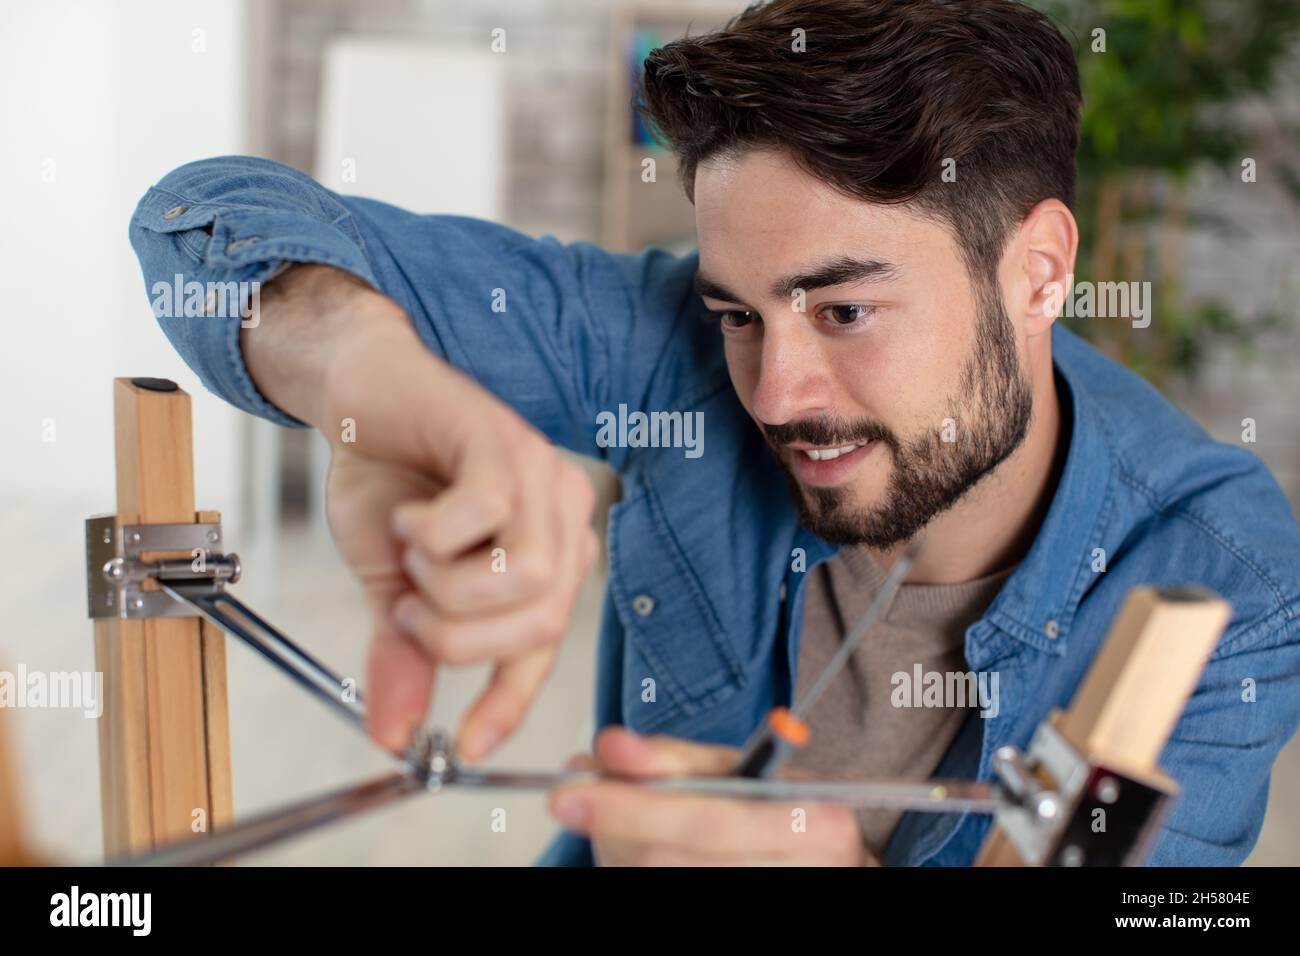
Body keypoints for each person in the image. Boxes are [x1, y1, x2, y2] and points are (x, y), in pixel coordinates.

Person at [128, 0, 1300, 866]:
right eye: (738, 313)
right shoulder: (669, 351)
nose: (775, 392)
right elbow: (204, 220)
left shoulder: (1227, 586)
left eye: (844, 310)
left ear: (1038, 271)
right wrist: (373, 383)